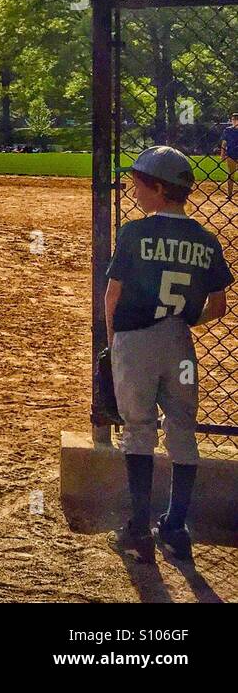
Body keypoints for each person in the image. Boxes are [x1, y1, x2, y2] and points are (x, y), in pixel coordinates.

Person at [104, 146, 232, 564]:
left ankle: (139, 528)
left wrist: (115, 342)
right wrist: (181, 321)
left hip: (135, 342)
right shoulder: (206, 240)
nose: (134, 189)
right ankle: (176, 528)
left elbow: (113, 296)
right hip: (180, 345)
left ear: (158, 188)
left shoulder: (134, 233)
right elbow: (219, 307)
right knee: (182, 429)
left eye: (139, 184)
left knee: (138, 428)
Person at [219, 113, 238, 201]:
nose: (235, 121)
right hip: (231, 154)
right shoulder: (228, 130)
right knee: (230, 174)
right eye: (233, 119)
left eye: (236, 119)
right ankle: (229, 194)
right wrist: (222, 154)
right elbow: (224, 143)